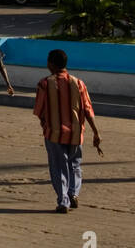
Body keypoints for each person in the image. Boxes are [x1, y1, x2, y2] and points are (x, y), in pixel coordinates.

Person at [34, 49, 103, 213]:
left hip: (54, 133)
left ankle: (63, 201)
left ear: (50, 64)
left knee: (58, 167)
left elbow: (39, 111)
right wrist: (96, 132)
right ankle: (73, 193)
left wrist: (45, 124)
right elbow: (87, 109)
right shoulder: (78, 83)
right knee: (75, 165)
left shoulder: (44, 84)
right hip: (76, 132)